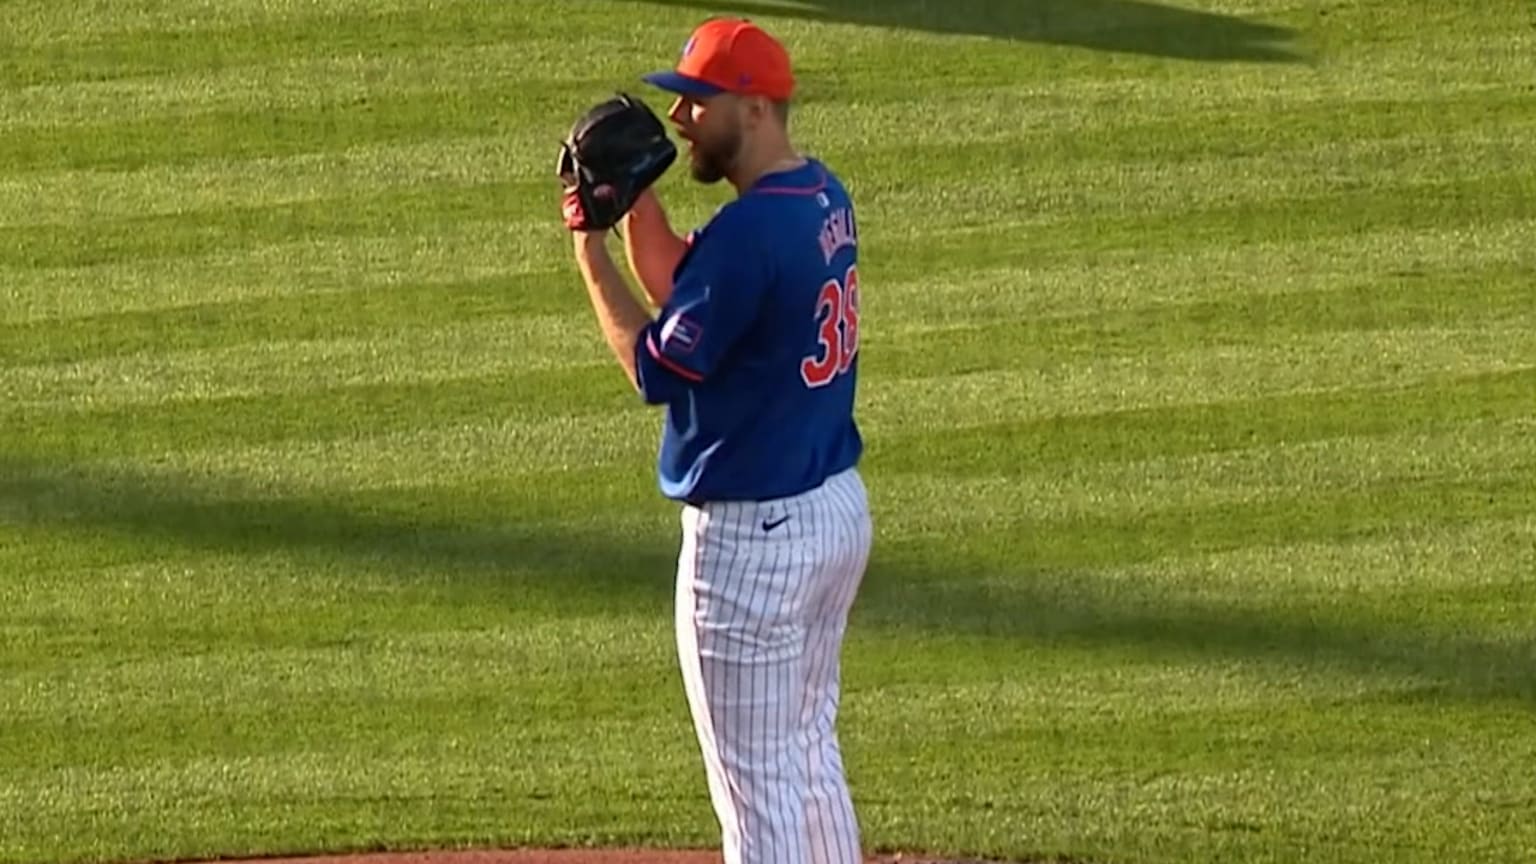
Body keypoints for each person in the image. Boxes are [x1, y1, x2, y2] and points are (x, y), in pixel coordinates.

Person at [561, 15, 873, 864]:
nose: (681, 119)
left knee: (756, 792)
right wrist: (633, 202)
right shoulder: (818, 197)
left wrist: (589, 254)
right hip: (831, 511)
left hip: (755, 544)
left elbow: (655, 370)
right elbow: (688, 283)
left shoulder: (751, 236)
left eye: (699, 102)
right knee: (806, 760)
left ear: (756, 108)